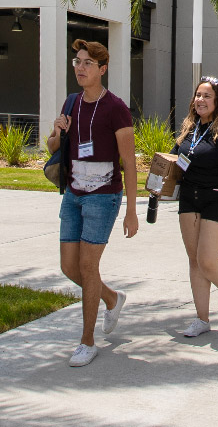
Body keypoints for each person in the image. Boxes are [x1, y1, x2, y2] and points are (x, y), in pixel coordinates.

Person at [46, 39, 138, 367]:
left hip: (103, 197)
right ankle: (112, 298)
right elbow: (54, 146)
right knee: (69, 267)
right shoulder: (71, 102)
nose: (80, 68)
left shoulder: (116, 108)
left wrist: (131, 211)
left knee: (88, 267)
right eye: (77, 62)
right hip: (73, 195)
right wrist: (57, 132)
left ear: (103, 69)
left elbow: (129, 162)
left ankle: (87, 341)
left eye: (87, 63)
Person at [170, 77, 218, 337]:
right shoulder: (189, 131)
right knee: (194, 261)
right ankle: (202, 319)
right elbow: (174, 162)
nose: (200, 100)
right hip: (189, 200)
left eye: (207, 96)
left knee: (207, 260)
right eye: (198, 95)